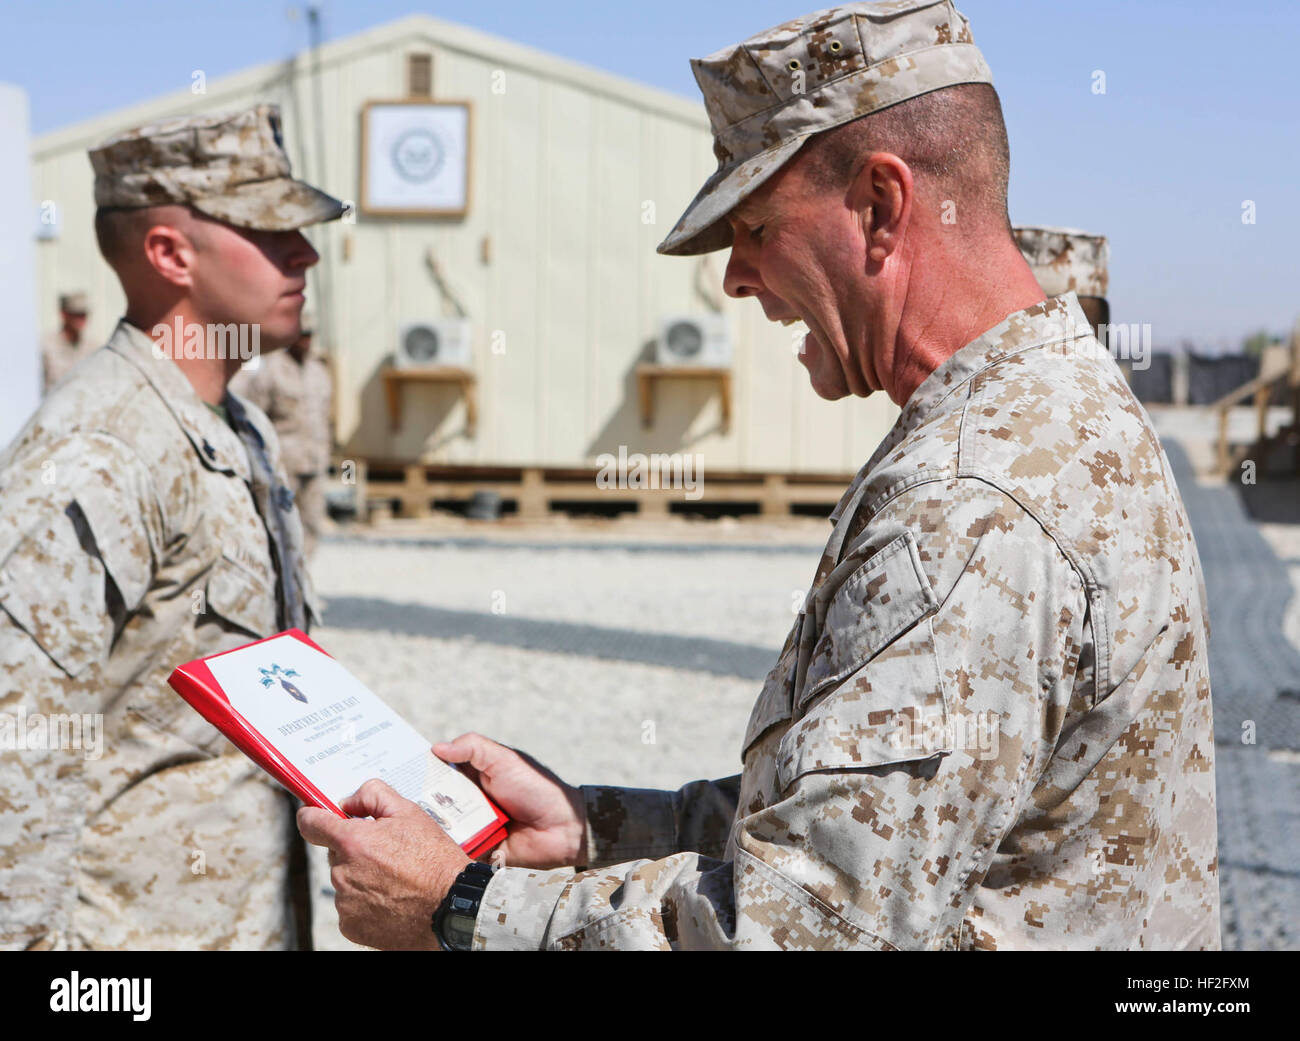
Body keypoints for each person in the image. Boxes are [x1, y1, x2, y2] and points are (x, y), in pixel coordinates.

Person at [298, 0, 1220, 951]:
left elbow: (802, 933)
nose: (736, 279)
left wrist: (462, 908)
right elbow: (878, 821)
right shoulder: (1054, 406)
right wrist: (592, 826)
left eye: (757, 227)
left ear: (880, 206)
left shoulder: (967, 507)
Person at [0, 103, 345, 949]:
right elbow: (22, 752)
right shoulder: (98, 451)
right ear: (168, 254)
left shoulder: (238, 425)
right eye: (271, 230)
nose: (304, 252)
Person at [231, 311, 333, 560]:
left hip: (315, 461)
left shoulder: (319, 372)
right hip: (283, 464)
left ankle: (302, 582)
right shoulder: (271, 371)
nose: (306, 342)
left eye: (309, 336)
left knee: (311, 524)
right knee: (280, 524)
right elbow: (252, 416)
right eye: (301, 335)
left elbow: (324, 417)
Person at [40, 291, 92, 391]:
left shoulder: (93, 347)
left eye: (84, 315)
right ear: (64, 314)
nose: (81, 319)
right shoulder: (46, 345)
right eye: (76, 315)